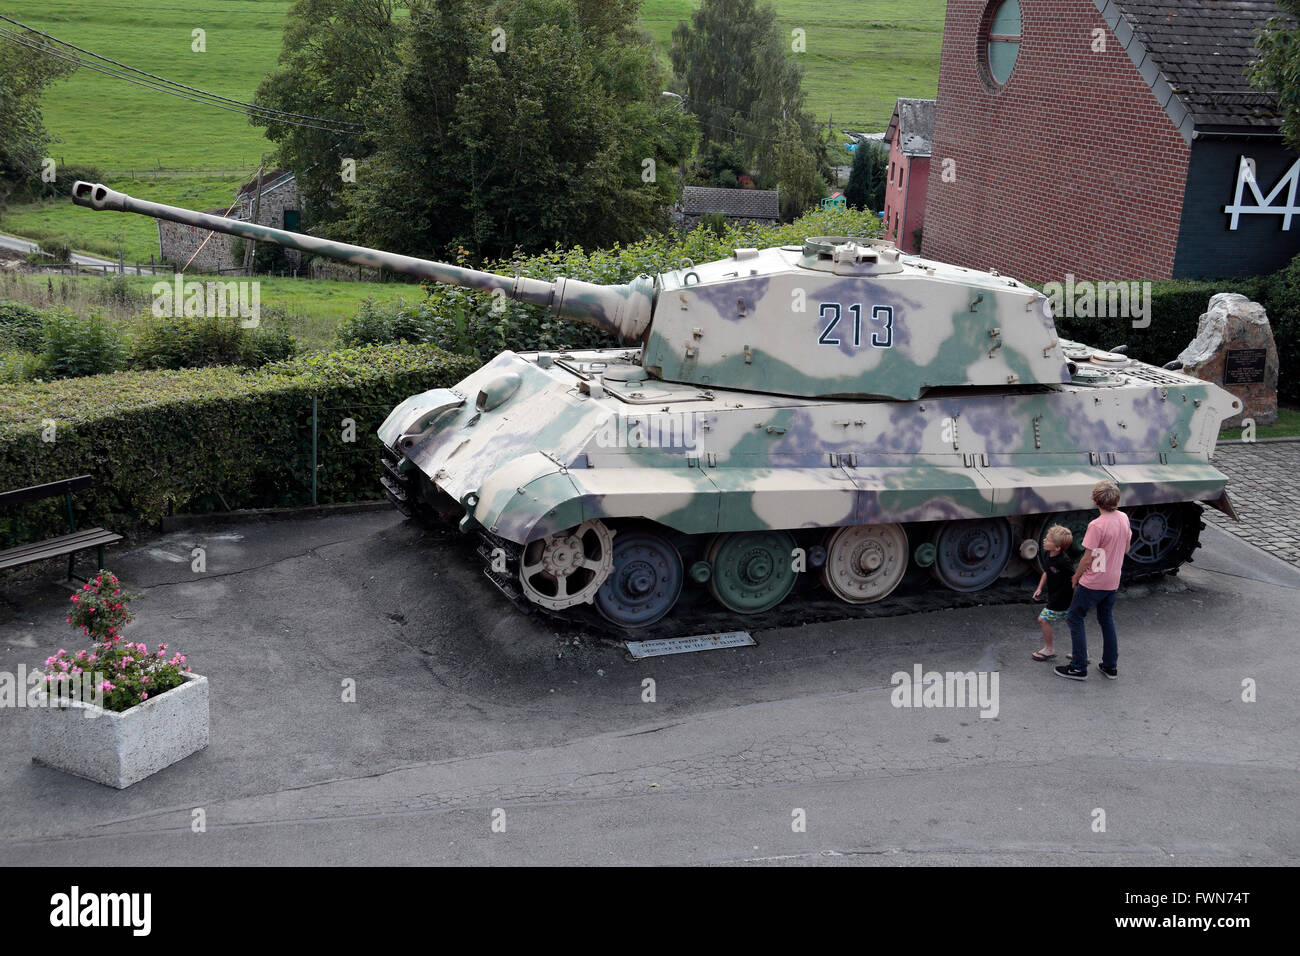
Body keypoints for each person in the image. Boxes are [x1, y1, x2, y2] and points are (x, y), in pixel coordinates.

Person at [1055, 480, 1131, 681]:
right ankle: (1110, 666)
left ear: (1095, 500)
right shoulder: (1123, 518)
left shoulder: (1096, 525)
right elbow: (1126, 548)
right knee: (1106, 619)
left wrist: (1076, 576)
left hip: (1094, 581)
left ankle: (1078, 667)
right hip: (1113, 580)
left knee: (1075, 617)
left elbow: (1087, 558)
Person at [1031, 525, 1074, 661]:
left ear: (1057, 548)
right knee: (1074, 623)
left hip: (1062, 599)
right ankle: (1083, 652)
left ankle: (1049, 649)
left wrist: (1078, 598)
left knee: (1042, 619)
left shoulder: (1064, 561)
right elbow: (1047, 572)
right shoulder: (1048, 554)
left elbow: (1075, 578)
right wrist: (1039, 588)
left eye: (1048, 540)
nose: (1044, 540)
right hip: (1058, 597)